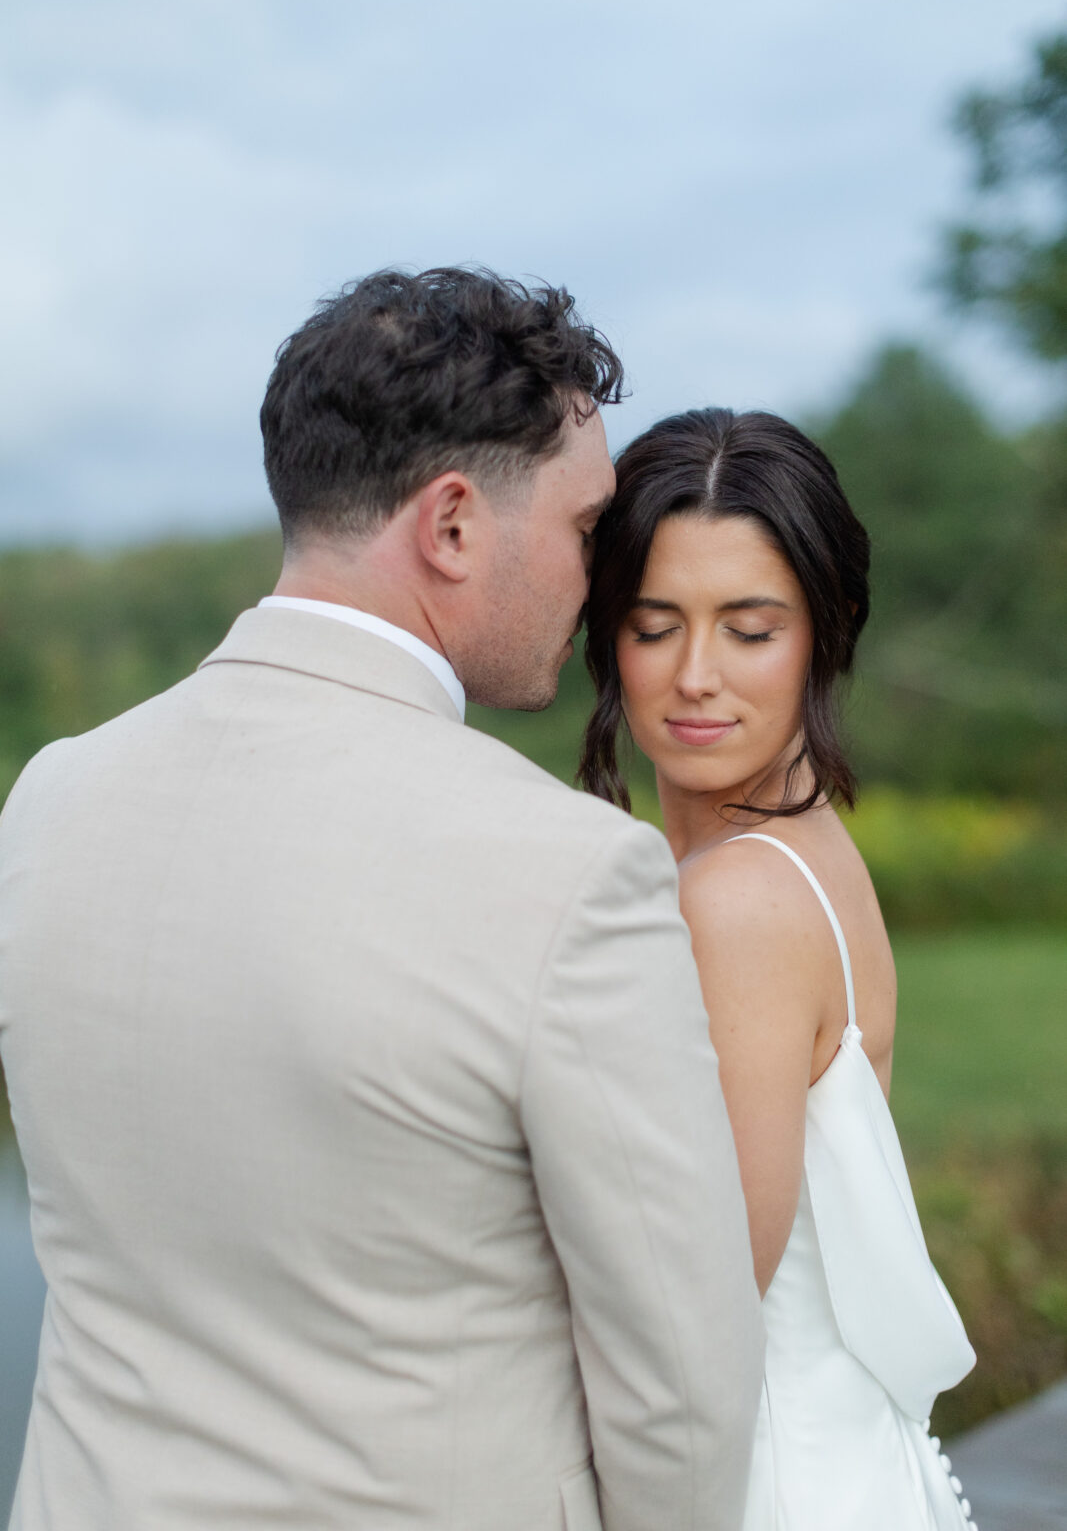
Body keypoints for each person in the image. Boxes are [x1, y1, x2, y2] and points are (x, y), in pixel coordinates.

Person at [0, 270, 763, 1531]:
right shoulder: (566, 872)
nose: (597, 587)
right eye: (583, 530)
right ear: (452, 524)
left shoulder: (49, 799)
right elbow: (679, 1390)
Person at [579, 407, 978, 1531]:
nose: (693, 676)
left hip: (764, 1481)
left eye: (749, 629)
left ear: (828, 626)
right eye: (653, 626)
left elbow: (702, 1291)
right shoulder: (801, 848)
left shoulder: (736, 895)